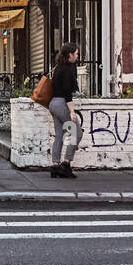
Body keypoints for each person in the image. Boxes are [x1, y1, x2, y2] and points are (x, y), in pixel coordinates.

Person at [48, 42, 83, 179]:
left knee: (59, 135)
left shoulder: (58, 67)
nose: (77, 56)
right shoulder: (68, 69)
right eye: (76, 54)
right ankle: (66, 164)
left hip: (53, 103)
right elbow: (67, 92)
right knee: (77, 133)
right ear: (70, 55)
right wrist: (72, 112)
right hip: (62, 102)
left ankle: (55, 166)